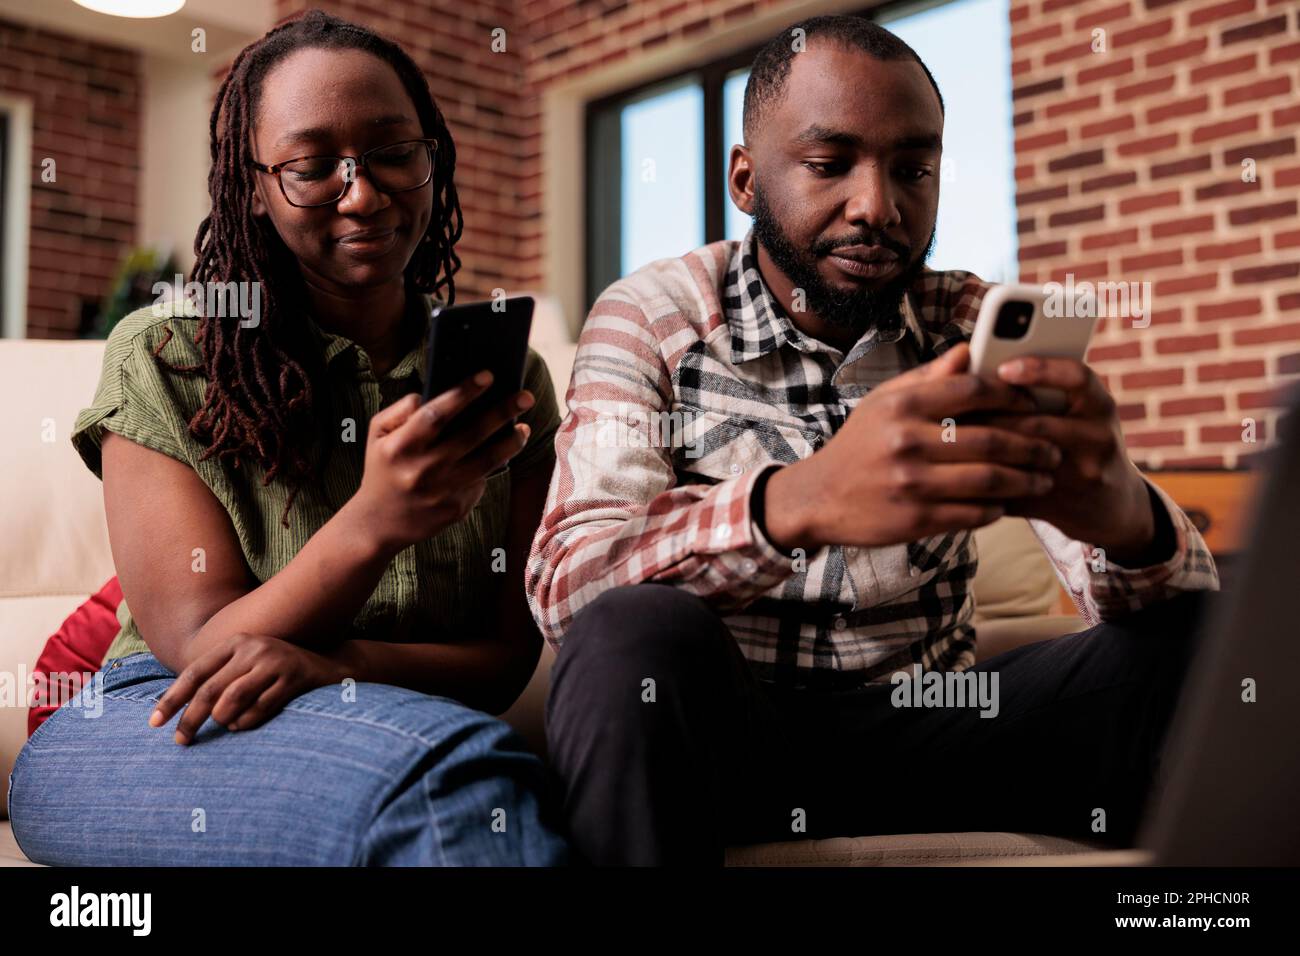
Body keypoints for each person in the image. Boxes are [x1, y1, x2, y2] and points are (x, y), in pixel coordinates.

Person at [527, 15, 1220, 865]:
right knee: (628, 637)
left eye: (912, 168)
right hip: (740, 735)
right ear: (745, 179)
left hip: (945, 726)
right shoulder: (652, 316)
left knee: (1206, 646)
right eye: (829, 165)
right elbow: (571, 587)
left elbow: (1159, 618)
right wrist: (794, 504)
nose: (878, 207)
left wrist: (1125, 520)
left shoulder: (971, 322)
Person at [8, 10, 568, 866]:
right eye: (311, 168)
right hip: (150, 717)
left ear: (433, 156)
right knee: (452, 790)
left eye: (393, 152)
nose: (366, 192)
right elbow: (202, 647)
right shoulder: (167, 354)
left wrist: (337, 666)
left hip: (381, 722)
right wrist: (376, 521)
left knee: (467, 781)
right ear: (254, 188)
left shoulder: (505, 377)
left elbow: (501, 659)